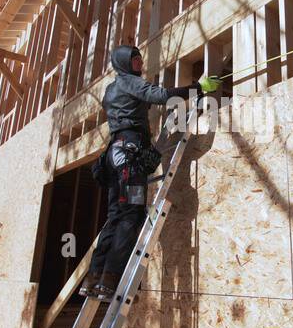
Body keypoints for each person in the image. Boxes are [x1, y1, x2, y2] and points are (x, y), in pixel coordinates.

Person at [81, 45, 220, 299]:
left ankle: (93, 278)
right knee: (131, 216)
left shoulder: (112, 89)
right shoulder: (129, 82)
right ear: (125, 63)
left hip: (116, 157)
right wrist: (199, 88)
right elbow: (162, 95)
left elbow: (135, 108)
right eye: (135, 60)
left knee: (115, 216)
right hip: (129, 160)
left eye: (140, 58)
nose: (140, 63)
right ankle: (109, 280)